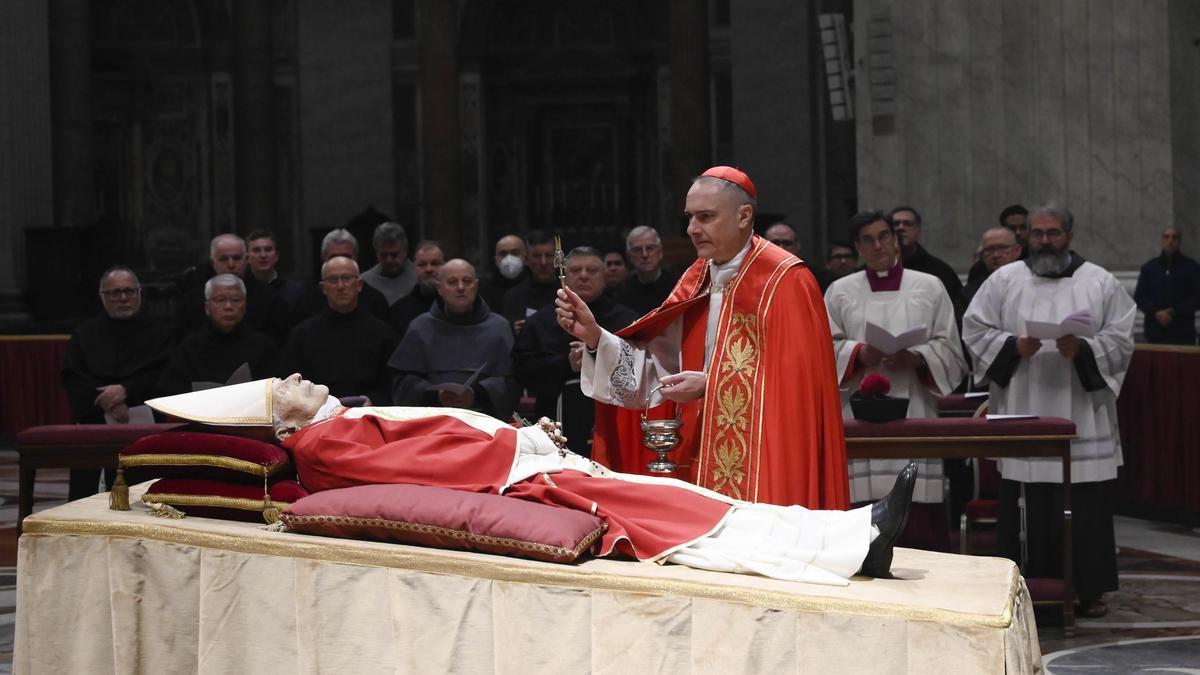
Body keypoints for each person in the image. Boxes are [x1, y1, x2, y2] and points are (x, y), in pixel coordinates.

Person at [145, 374, 919, 585]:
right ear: (281, 424)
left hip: (525, 464)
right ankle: (852, 542)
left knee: (687, 500)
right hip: (523, 483)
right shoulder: (325, 441)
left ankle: (851, 532)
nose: (300, 379)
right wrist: (521, 449)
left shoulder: (336, 421)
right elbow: (422, 465)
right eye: (286, 386)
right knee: (680, 515)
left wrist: (519, 441)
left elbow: (436, 436)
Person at [556, 166, 849, 509]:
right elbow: (657, 369)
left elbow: (798, 389)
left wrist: (711, 384)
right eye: (690, 217)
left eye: (706, 217)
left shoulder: (785, 280)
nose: (692, 229)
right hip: (698, 458)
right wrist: (594, 336)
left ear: (744, 216)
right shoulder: (698, 278)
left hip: (767, 466)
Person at [963, 203, 1135, 618]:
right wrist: (1012, 346)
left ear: (1069, 236)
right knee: (1029, 503)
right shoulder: (1005, 280)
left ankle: (1088, 590)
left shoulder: (1100, 281)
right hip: (1023, 406)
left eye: (1053, 233)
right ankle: (1021, 591)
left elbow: (1122, 338)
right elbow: (974, 328)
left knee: (1085, 505)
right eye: (1037, 233)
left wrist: (1085, 349)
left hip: (1082, 415)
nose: (1044, 241)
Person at [824, 211, 966, 550]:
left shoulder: (929, 286)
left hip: (915, 403)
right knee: (862, 511)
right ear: (858, 247)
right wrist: (858, 353)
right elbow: (822, 347)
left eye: (884, 236)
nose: (878, 245)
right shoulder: (840, 291)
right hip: (858, 407)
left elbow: (951, 348)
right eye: (868, 240)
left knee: (917, 509)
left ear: (895, 240)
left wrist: (917, 357)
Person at [61, 266, 178, 498]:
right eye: (115, 293)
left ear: (139, 293)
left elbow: (165, 373)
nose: (123, 298)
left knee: (143, 496)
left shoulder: (162, 332)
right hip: (95, 422)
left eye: (129, 291)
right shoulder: (85, 334)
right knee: (86, 497)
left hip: (144, 422)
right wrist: (108, 402)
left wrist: (127, 391)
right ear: (102, 296)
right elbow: (72, 376)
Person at [513, 247, 637, 456]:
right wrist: (566, 363)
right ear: (564, 276)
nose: (584, 275)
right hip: (555, 419)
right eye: (576, 270)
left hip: (613, 417)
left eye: (592, 270)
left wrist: (599, 354)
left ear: (604, 276)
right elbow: (521, 370)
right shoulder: (539, 322)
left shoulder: (627, 319)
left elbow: (640, 367)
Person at [389, 259, 516, 417]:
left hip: (485, 421)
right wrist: (436, 396)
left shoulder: (499, 327)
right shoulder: (420, 327)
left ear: (476, 285)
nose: (461, 287)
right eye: (452, 282)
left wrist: (477, 393)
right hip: (431, 421)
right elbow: (402, 384)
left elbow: (513, 383)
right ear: (439, 288)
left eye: (467, 281)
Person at [280, 256, 398, 405]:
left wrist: (374, 400)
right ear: (323, 288)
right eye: (333, 280)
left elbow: (393, 385)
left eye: (347, 278)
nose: (341, 286)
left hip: (369, 414)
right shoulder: (302, 336)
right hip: (318, 416)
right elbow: (292, 388)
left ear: (359, 285)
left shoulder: (383, 334)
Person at [155, 274, 275, 395]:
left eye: (235, 300)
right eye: (220, 300)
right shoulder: (190, 348)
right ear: (207, 308)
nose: (228, 306)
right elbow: (170, 390)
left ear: (245, 306)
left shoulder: (262, 346)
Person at [890, 206, 965, 323]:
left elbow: (953, 317)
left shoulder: (940, 272)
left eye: (908, 224)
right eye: (895, 224)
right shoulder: (873, 271)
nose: (900, 228)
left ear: (918, 231)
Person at [1134, 226, 1198, 345]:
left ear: (1179, 241)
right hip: (1155, 331)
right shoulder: (1149, 268)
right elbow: (1139, 297)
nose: (1170, 241)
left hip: (1183, 332)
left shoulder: (1192, 267)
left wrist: (1174, 311)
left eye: (1174, 237)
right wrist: (1156, 313)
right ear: (1161, 240)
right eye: (1166, 237)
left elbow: (1197, 298)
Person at [243, 230, 308, 345]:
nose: (263, 255)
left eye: (268, 249)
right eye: (256, 250)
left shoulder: (295, 291)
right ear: (247, 257)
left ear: (276, 256)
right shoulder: (240, 291)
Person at [177, 233, 249, 330]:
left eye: (236, 258)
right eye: (223, 259)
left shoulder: (264, 295)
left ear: (246, 260)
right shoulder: (192, 300)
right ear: (213, 263)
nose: (231, 265)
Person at [501, 230, 559, 332]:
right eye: (537, 256)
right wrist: (513, 329)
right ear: (526, 260)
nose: (543, 262)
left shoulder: (568, 293)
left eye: (549, 256)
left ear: (558, 259)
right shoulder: (513, 297)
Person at [617, 226, 681, 317]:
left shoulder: (677, 287)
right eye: (637, 250)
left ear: (660, 252)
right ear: (629, 257)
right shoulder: (622, 292)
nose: (645, 255)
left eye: (650, 248)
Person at [387, 240, 446, 339]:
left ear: (446, 266)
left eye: (435, 263)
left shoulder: (457, 305)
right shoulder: (399, 311)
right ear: (414, 268)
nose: (428, 269)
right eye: (422, 264)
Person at [962, 227, 1022, 306]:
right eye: (989, 249)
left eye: (1002, 248)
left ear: (1017, 250)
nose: (996, 255)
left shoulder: (1031, 285)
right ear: (982, 254)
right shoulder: (969, 294)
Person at [360, 222, 416, 305]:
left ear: (405, 251)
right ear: (376, 252)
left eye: (394, 255)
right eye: (383, 255)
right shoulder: (365, 282)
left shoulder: (419, 277)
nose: (389, 260)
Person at [765, 222, 831, 291]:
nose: (781, 247)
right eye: (775, 243)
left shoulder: (814, 275)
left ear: (798, 246)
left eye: (787, 243)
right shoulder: (757, 271)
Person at [479, 233, 528, 313]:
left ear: (525, 258)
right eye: (503, 254)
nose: (509, 259)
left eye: (514, 253)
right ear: (496, 260)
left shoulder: (535, 284)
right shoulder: (483, 287)